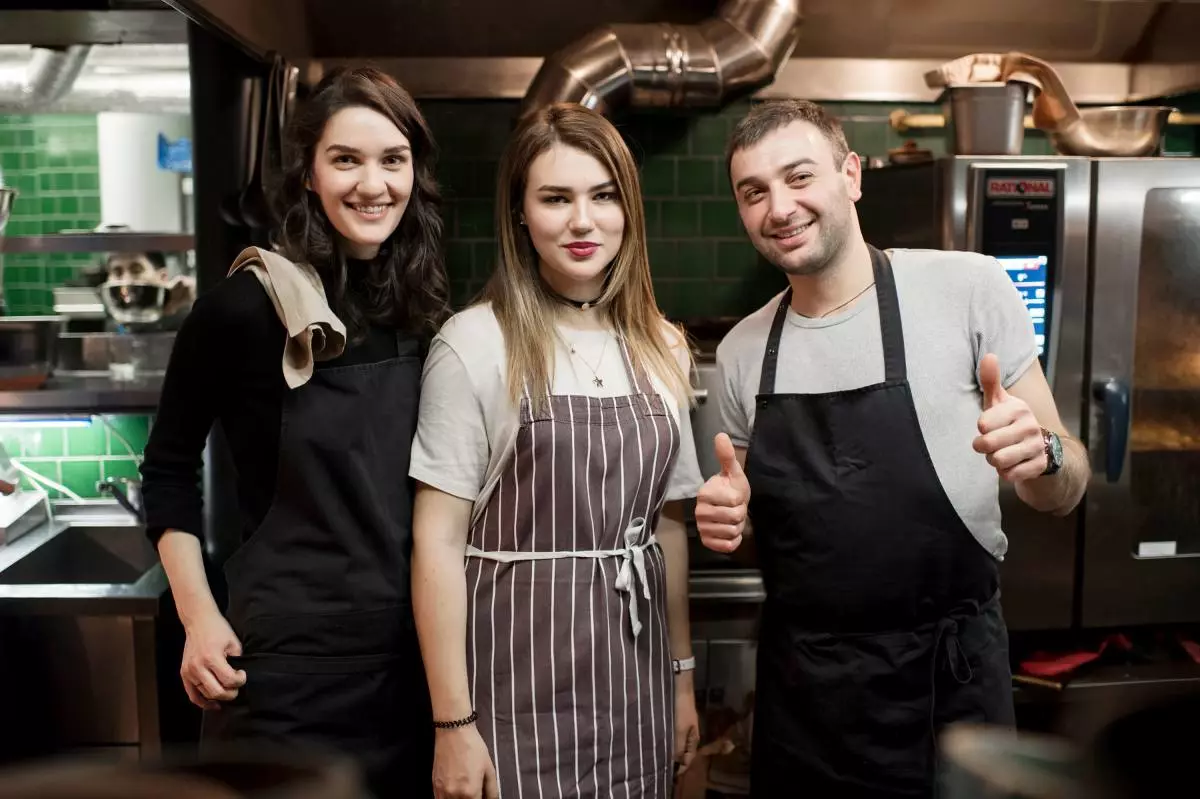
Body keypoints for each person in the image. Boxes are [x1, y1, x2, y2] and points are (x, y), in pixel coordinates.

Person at [693, 99, 1091, 798]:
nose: (779, 207)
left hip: (949, 687)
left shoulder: (969, 289)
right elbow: (766, 512)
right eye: (753, 192)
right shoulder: (742, 352)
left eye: (799, 177)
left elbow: (1065, 484)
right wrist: (734, 518)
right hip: (806, 698)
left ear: (851, 175)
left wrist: (1045, 456)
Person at [140, 66, 447, 797]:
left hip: (404, 675)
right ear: (308, 174)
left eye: (392, 160)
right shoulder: (243, 311)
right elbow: (167, 470)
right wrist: (199, 616)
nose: (373, 184)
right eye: (346, 159)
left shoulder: (422, 309)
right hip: (281, 680)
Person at [409, 102, 703, 799]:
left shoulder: (662, 344)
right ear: (520, 215)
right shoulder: (473, 344)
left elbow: (666, 526)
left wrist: (682, 678)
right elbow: (437, 541)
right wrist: (452, 722)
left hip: (636, 682)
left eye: (603, 196)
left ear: (628, 209)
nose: (582, 221)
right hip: (513, 690)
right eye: (555, 198)